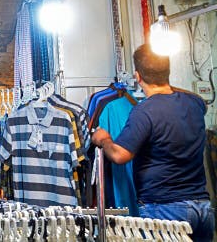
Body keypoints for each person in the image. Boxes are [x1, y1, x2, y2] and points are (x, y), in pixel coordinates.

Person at [92, 44, 215, 242]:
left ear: (137, 76)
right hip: (201, 207)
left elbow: (119, 155)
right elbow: (194, 97)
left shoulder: (145, 111)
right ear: (168, 71)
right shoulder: (195, 103)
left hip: (166, 210)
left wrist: (103, 138)